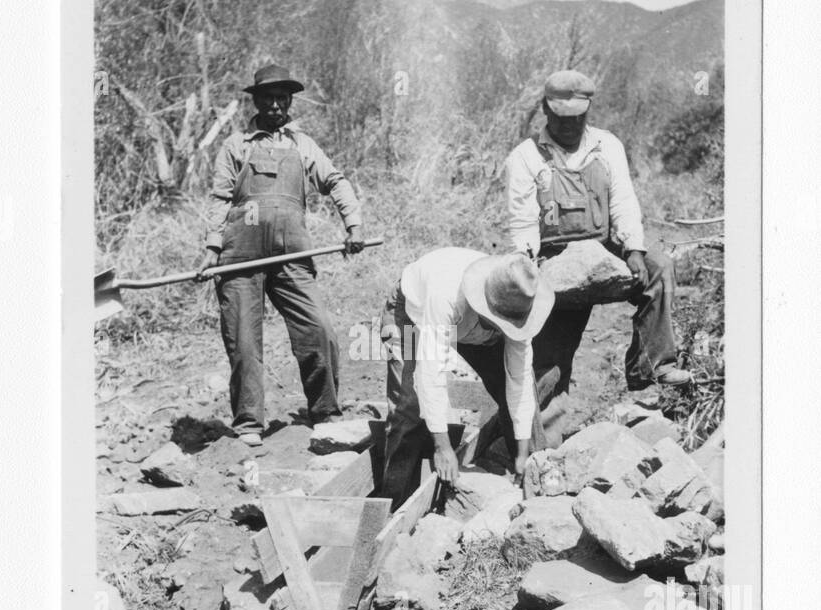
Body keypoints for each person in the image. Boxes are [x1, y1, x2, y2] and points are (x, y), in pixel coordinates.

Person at [198, 63, 365, 446]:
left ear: (289, 102)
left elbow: (335, 180)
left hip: (292, 254)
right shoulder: (235, 145)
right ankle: (249, 424)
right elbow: (220, 197)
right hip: (240, 254)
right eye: (268, 98)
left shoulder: (302, 144)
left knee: (318, 329)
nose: (275, 106)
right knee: (243, 340)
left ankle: (325, 412)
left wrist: (352, 225)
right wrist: (211, 248)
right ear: (255, 101)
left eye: (282, 99)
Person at [504, 69, 691, 409]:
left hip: (606, 248)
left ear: (588, 111)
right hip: (555, 258)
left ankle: (651, 366)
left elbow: (623, 201)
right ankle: (536, 440)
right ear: (545, 111)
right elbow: (523, 223)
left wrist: (633, 249)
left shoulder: (607, 145)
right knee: (549, 366)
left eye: (577, 118)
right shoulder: (525, 157)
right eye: (560, 118)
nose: (569, 125)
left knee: (659, 268)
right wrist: (529, 266)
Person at [380, 248, 554, 509]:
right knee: (410, 408)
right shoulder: (445, 295)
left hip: (472, 321)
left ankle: (537, 483)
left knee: (516, 391)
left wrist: (522, 452)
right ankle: (395, 509)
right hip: (412, 313)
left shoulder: (518, 303)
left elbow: (518, 381)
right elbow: (430, 372)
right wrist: (442, 446)